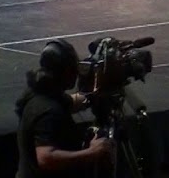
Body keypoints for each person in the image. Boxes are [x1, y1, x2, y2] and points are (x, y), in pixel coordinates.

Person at [15, 39, 113, 178]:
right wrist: (92, 153)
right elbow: (46, 158)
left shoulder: (40, 93)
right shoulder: (49, 111)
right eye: (73, 69)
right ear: (65, 71)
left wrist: (94, 96)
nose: (76, 74)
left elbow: (71, 101)